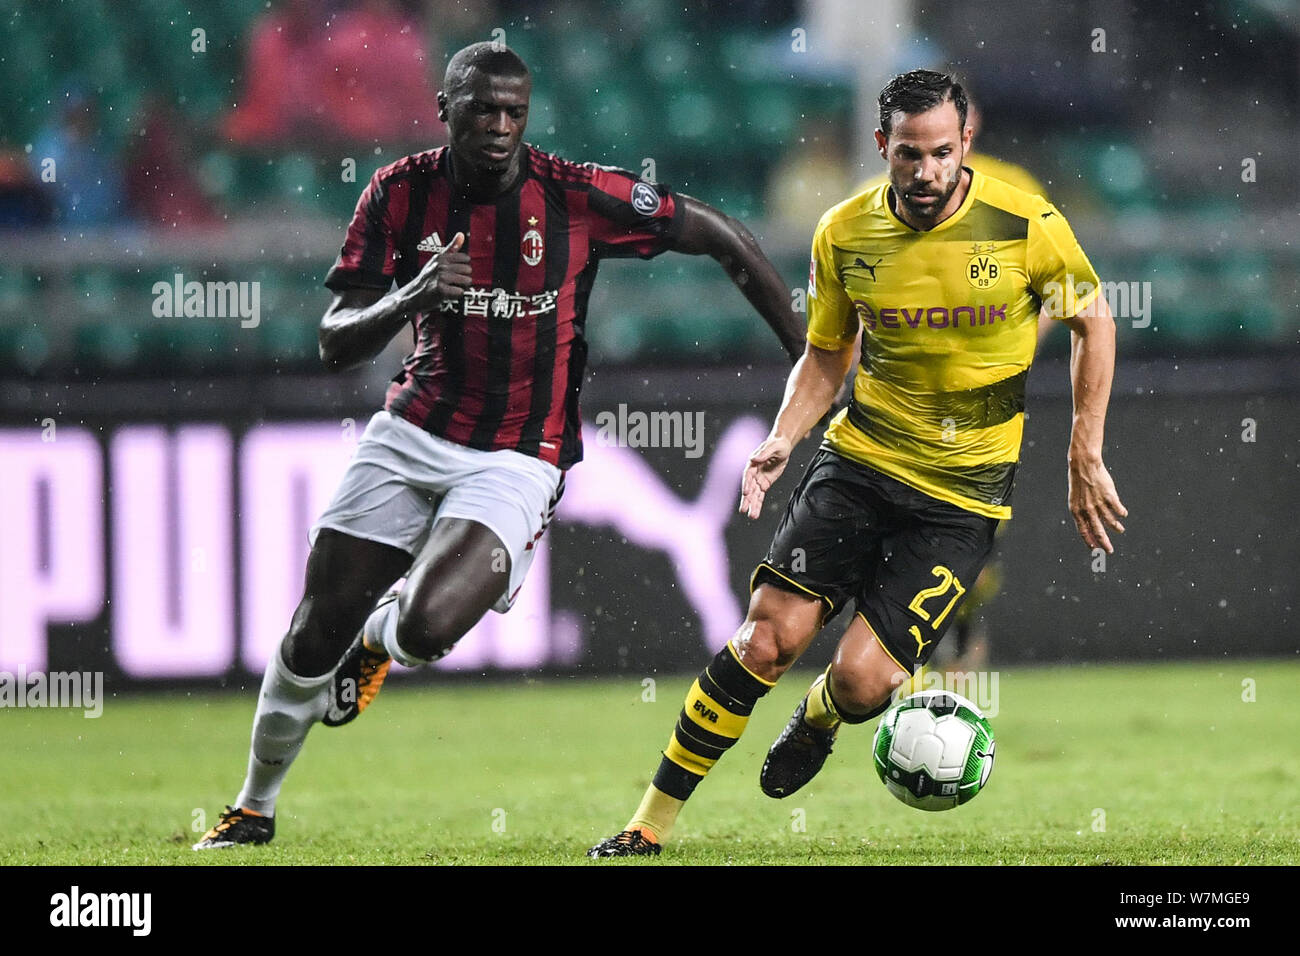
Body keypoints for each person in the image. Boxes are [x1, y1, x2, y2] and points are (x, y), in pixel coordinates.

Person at [193, 41, 804, 849]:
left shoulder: (576, 195)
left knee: (425, 631)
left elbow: (723, 235)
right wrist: (408, 297)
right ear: (444, 109)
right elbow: (335, 341)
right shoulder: (398, 192)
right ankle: (252, 808)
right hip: (410, 434)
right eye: (483, 109)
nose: (500, 125)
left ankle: (379, 641)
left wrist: (808, 358)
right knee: (313, 629)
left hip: (520, 455)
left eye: (515, 111)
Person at [588, 69, 1126, 858]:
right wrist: (785, 434)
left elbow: (1094, 319)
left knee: (862, 682)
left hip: (962, 496)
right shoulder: (844, 232)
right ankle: (648, 825)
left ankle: (819, 718)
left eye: (942, 152)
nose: (927, 171)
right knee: (764, 641)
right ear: (882, 146)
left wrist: (1085, 449)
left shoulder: (1026, 223)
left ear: (965, 142)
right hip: (861, 462)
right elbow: (825, 354)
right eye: (910, 154)